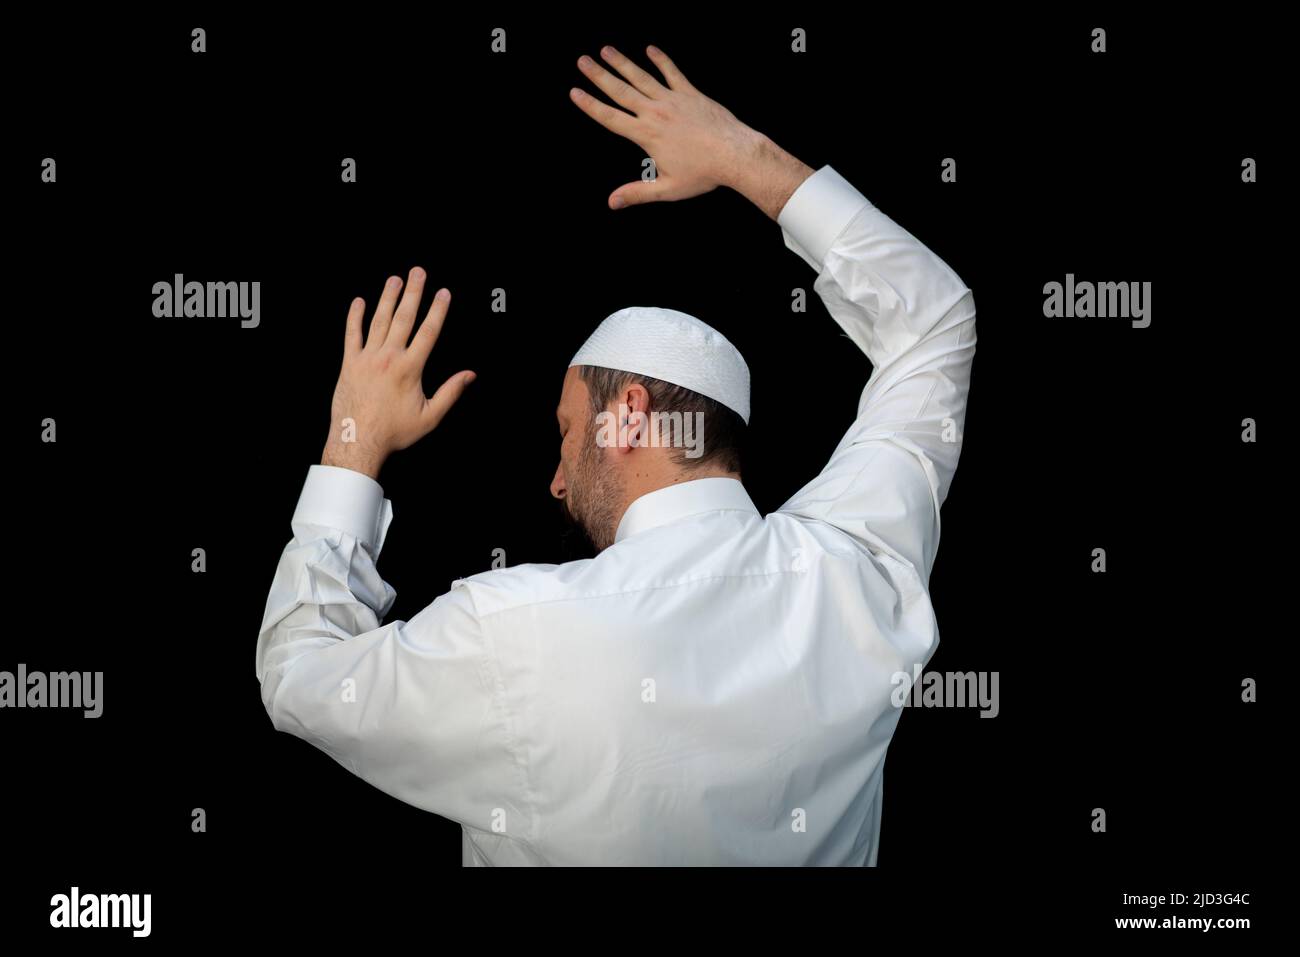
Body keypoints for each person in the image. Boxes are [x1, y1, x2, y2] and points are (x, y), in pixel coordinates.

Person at [255, 43, 977, 865]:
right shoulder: (857, 566)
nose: (556, 480)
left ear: (626, 418)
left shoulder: (513, 633)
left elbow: (300, 677)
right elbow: (933, 325)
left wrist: (353, 441)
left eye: (565, 432)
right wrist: (745, 158)